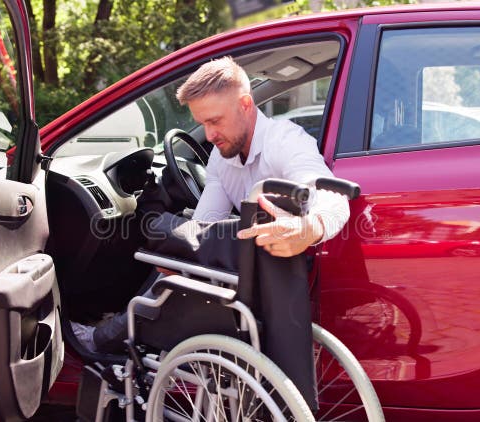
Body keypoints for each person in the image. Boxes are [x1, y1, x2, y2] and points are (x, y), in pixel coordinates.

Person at [72, 56, 350, 353]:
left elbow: (333, 196)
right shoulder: (220, 157)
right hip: (240, 279)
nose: (208, 135)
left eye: (215, 121)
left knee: (167, 244)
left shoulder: (285, 141)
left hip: (283, 286)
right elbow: (204, 225)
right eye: (202, 123)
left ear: (245, 104)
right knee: (174, 251)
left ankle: (105, 338)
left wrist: (311, 227)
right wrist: (176, 256)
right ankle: (120, 332)